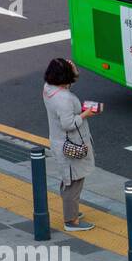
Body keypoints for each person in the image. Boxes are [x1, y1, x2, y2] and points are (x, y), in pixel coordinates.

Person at [43, 58, 97, 232]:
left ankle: (71, 212)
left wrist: (71, 70)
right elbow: (68, 124)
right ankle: (71, 220)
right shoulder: (64, 98)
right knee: (73, 182)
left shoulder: (48, 89)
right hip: (71, 143)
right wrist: (85, 114)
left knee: (69, 180)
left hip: (59, 141)